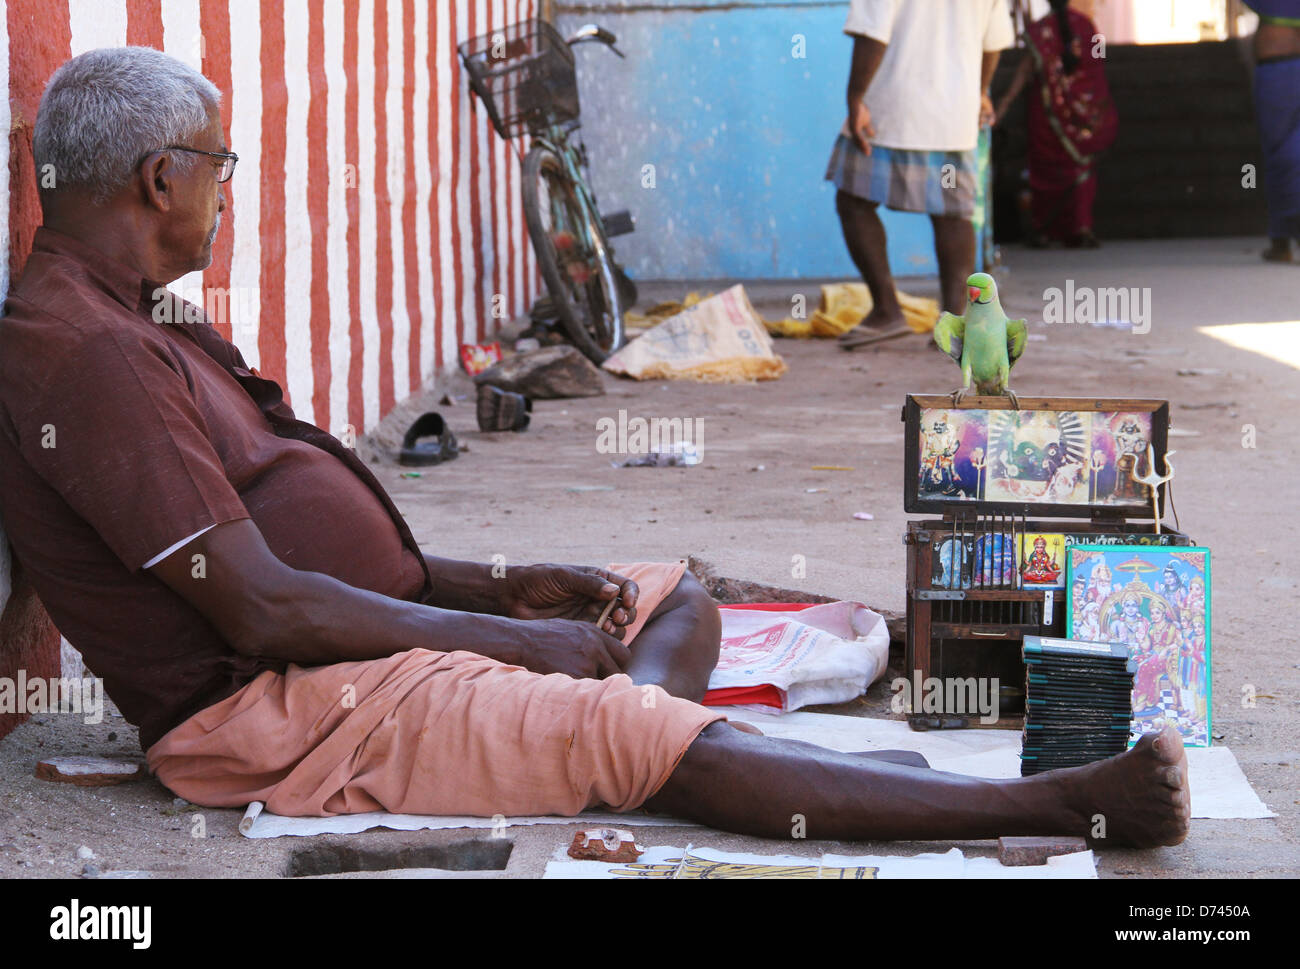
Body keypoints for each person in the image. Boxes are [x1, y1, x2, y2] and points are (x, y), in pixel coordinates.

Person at [0, 47, 1189, 848]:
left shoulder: (133, 315)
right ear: (163, 177)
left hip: (353, 644)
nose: (225, 191)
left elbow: (294, 548)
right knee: (630, 726)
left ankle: (634, 731)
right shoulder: (90, 354)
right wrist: (517, 643)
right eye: (220, 166)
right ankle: (1056, 805)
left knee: (669, 593)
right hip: (277, 710)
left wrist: (497, 589)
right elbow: (263, 612)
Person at [829, 0, 1014, 348]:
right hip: (954, 113)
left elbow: (872, 32)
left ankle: (887, 310)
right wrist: (979, 92)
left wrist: (855, 97)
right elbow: (994, 41)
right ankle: (954, 324)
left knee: (853, 200)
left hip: (892, 109)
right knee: (952, 214)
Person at [995, 0, 1118, 248]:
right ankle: (1081, 227)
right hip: (1083, 112)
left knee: (1045, 172)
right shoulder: (1087, 26)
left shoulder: (1040, 31)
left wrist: (1005, 102)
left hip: (1047, 112)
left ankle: (1043, 229)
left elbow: (1027, 67)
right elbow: (1099, 59)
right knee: (1080, 170)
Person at [1244, 1, 1300, 262]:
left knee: (1280, 153)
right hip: (1279, 68)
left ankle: (1284, 235)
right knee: (1285, 152)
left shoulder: (1276, 5)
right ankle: (1282, 236)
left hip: (1278, 69)